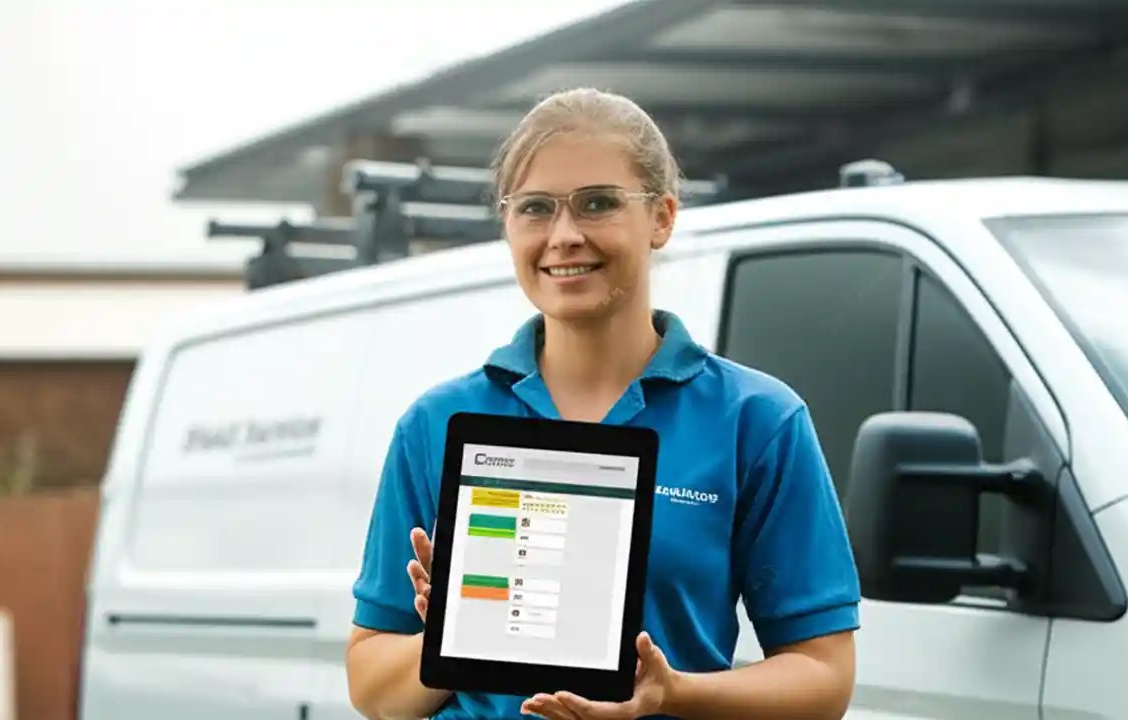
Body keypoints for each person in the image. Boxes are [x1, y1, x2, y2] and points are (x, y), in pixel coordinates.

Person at [345, 87, 861, 720]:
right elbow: (372, 689)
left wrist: (674, 694)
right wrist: (455, 635)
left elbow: (824, 679)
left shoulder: (757, 421)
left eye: (597, 204)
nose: (564, 235)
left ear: (662, 217)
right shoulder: (437, 424)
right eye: (535, 208)